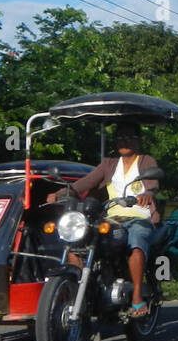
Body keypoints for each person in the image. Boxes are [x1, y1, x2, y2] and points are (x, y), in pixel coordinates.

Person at [50, 122, 161, 316]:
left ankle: (136, 297)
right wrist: (60, 193)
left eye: (128, 137)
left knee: (135, 243)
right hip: (112, 218)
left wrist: (148, 194)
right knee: (79, 243)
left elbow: (152, 184)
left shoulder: (146, 161)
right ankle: (82, 292)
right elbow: (85, 183)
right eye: (119, 137)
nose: (123, 141)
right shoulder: (109, 164)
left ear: (138, 140)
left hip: (139, 216)